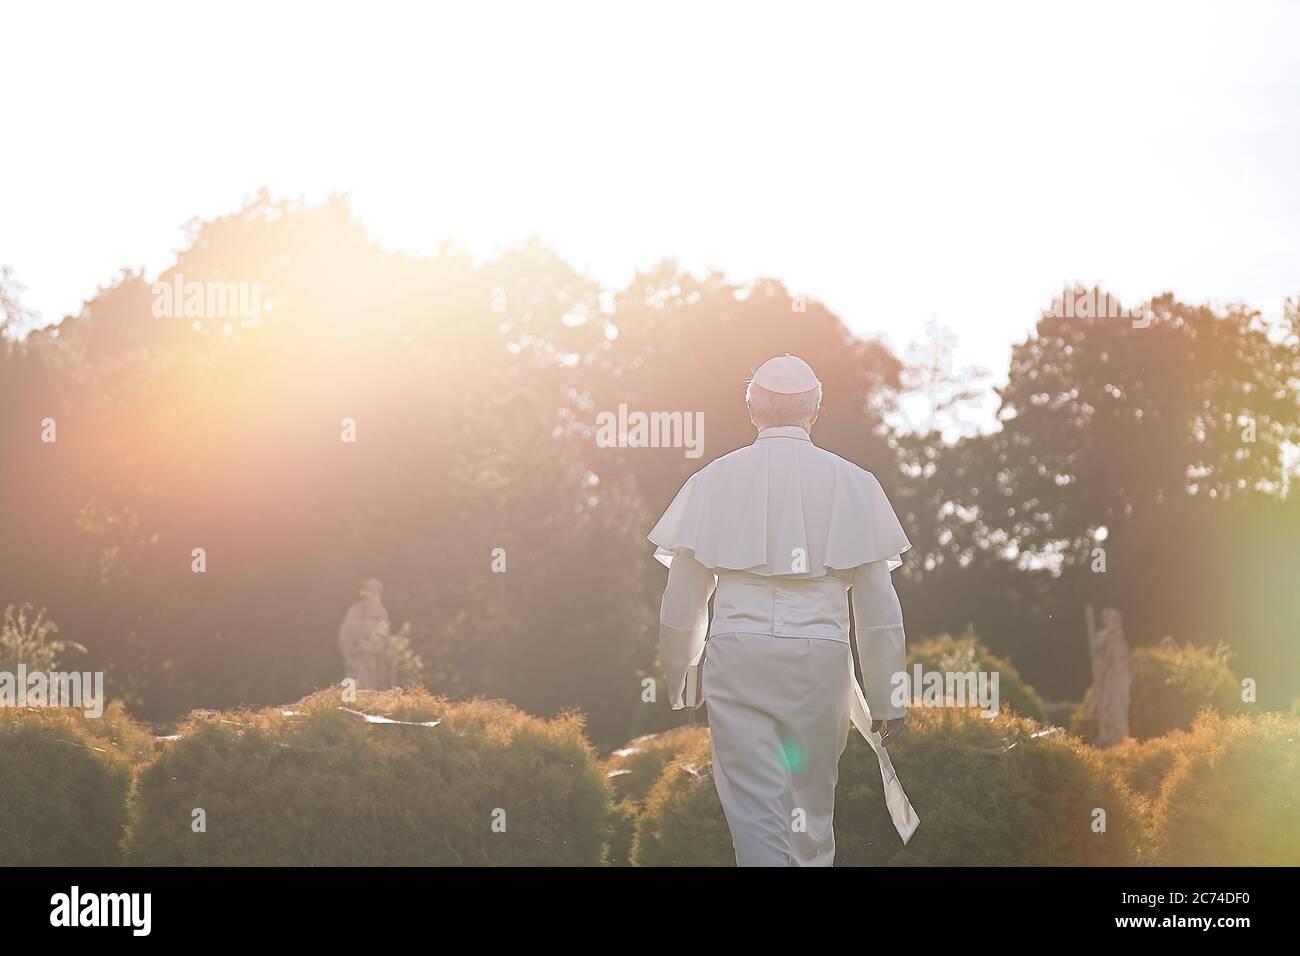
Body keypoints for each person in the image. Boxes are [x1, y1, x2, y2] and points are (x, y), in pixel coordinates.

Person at [649, 354, 918, 866]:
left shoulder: (714, 480)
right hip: (820, 664)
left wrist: (680, 673)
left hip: (738, 655)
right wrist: (889, 696)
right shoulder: (856, 484)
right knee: (811, 812)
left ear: (752, 408)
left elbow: (682, 598)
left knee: (753, 812)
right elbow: (880, 610)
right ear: (814, 410)